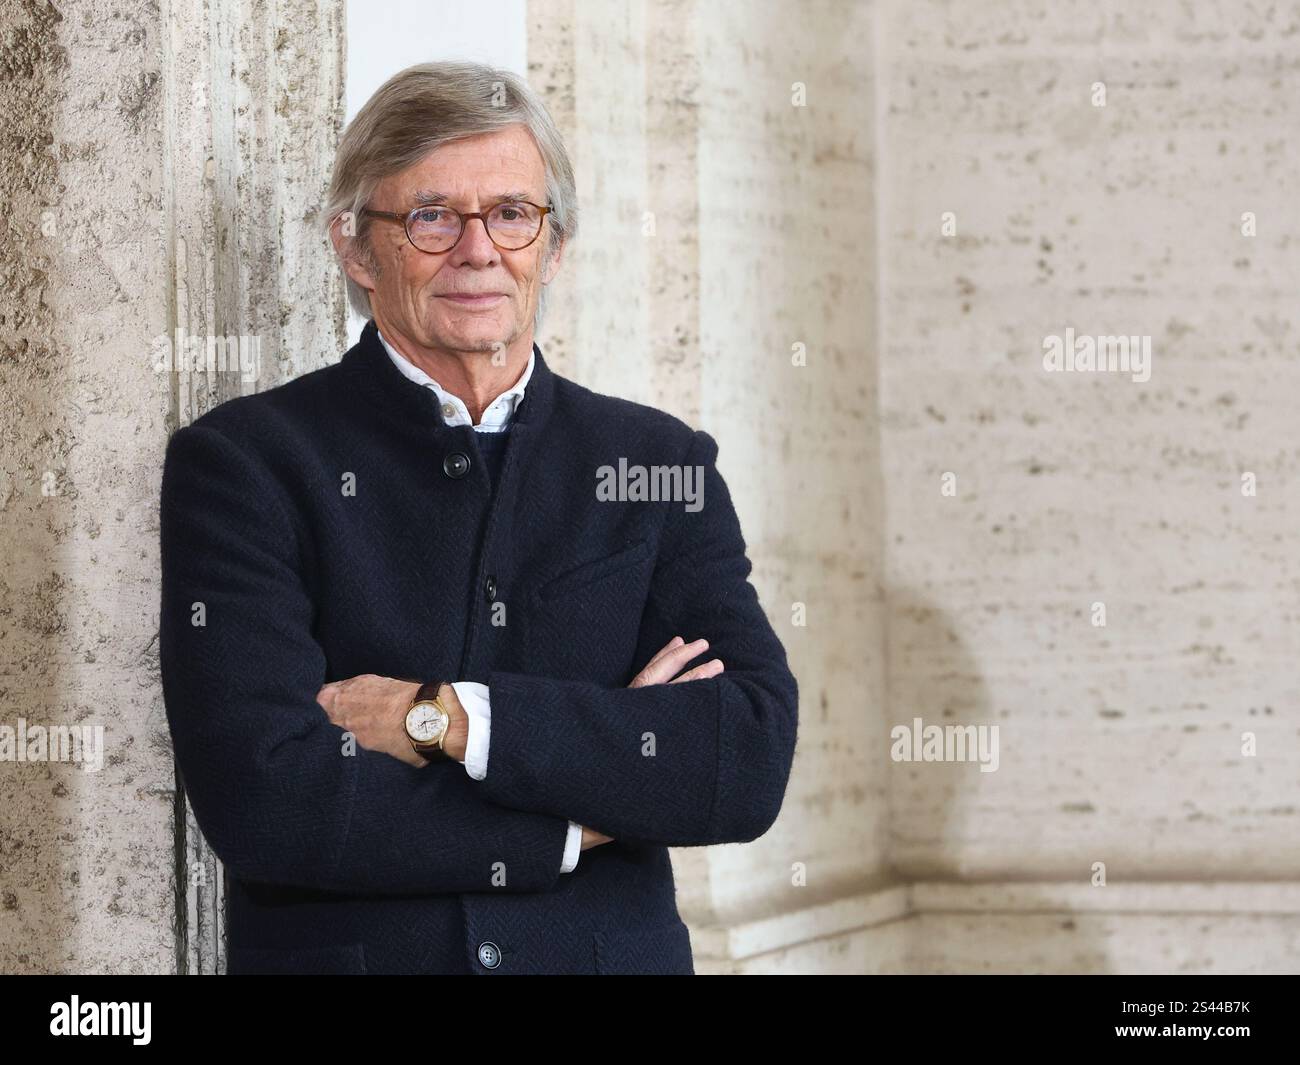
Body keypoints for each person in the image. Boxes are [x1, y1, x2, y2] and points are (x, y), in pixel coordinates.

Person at [159, 60, 798, 975]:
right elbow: (269, 803)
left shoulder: (656, 464)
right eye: (430, 216)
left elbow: (744, 757)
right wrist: (582, 814)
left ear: (554, 245)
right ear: (354, 247)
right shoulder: (247, 464)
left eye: (511, 213)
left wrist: (447, 720)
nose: (477, 250)